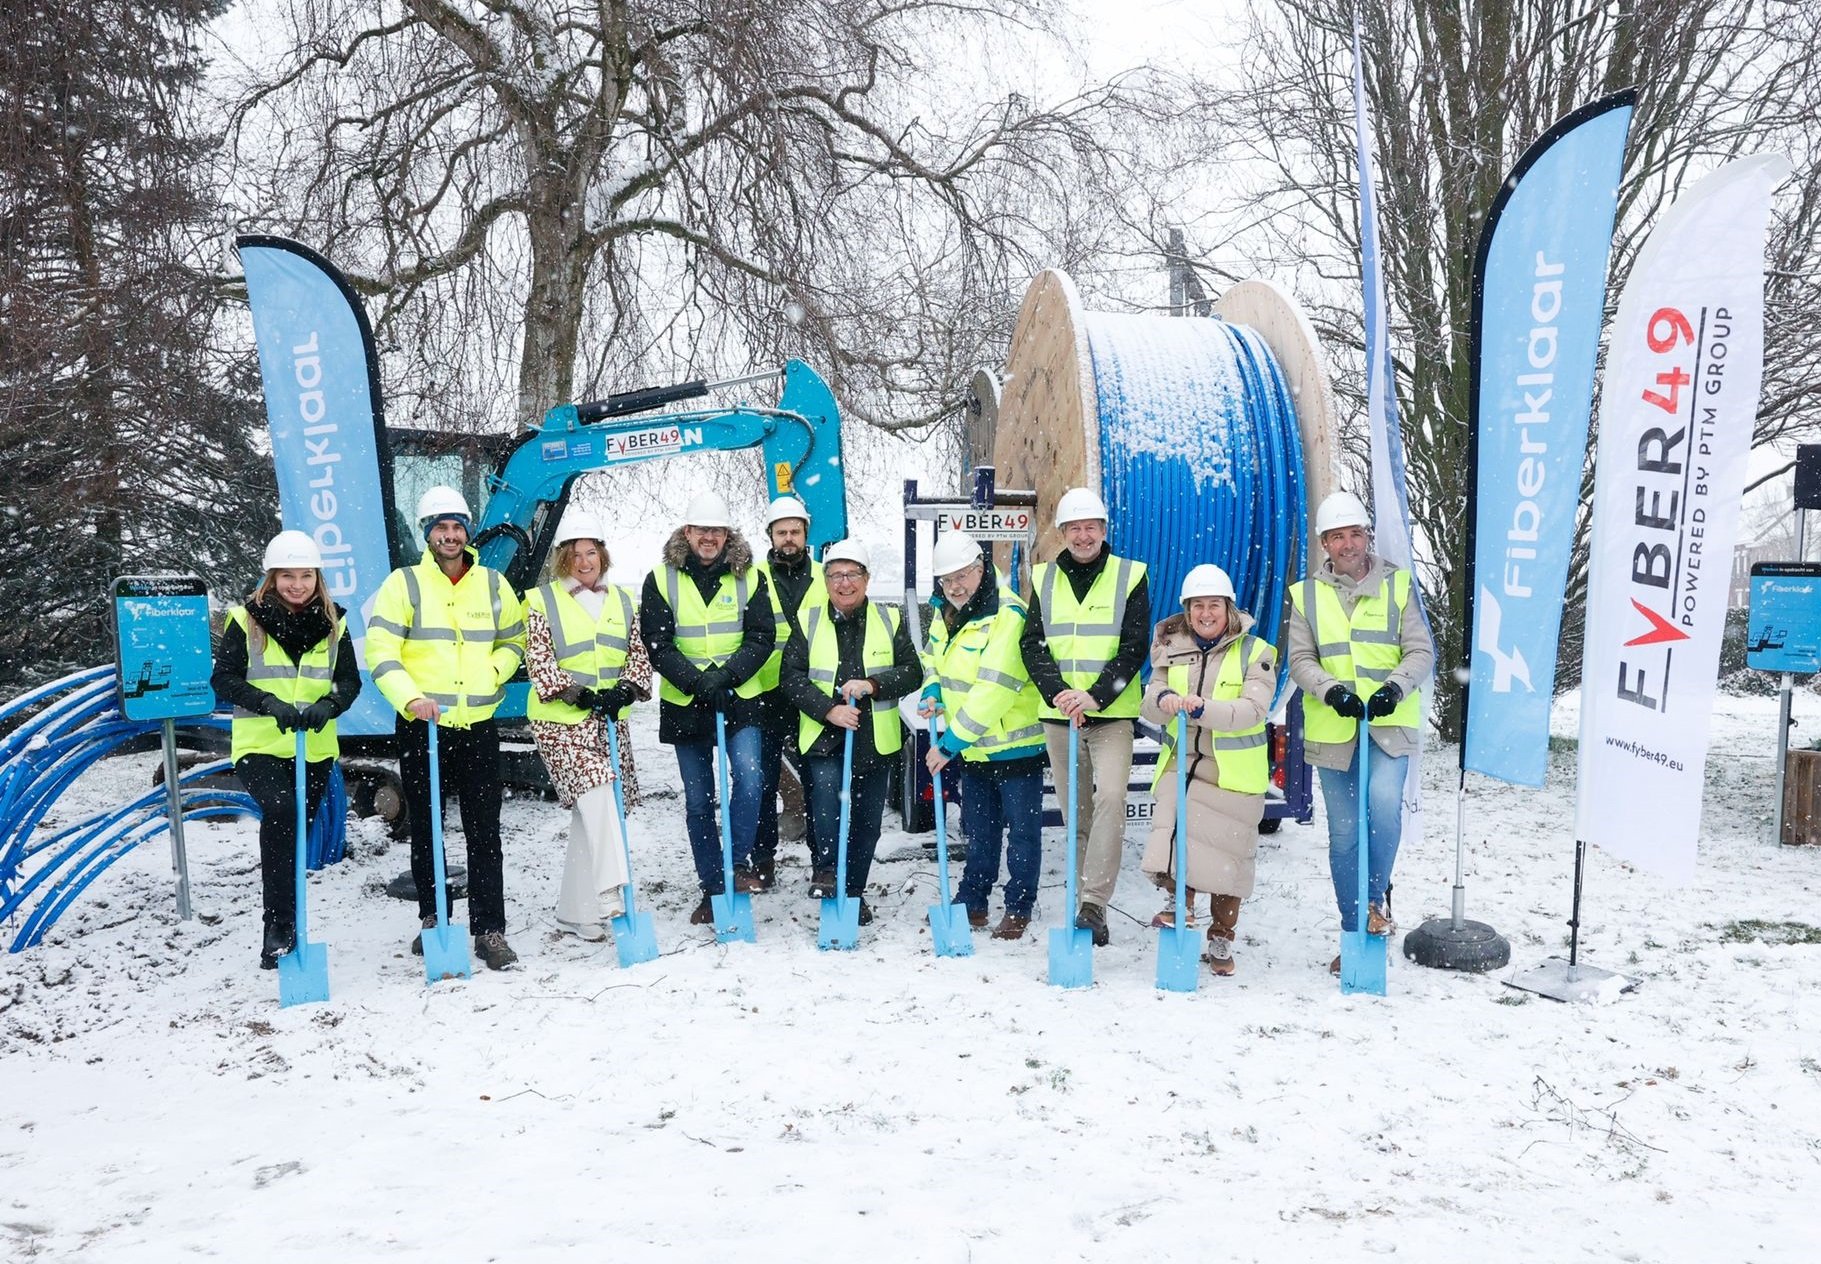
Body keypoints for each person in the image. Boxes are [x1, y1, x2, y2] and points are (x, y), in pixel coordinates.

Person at [366, 485, 527, 971]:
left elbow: (513, 639)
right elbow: (380, 650)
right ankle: (434, 919)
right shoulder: (404, 585)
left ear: (467, 532)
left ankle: (489, 929)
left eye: (457, 526)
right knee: (427, 828)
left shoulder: (494, 584)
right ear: (427, 533)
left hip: (477, 724)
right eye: (441, 527)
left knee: (485, 830)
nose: (450, 535)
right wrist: (411, 698)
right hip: (423, 726)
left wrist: (495, 672)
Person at [1287, 490, 1434, 975]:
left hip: (1388, 724)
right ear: (1325, 544)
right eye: (1337, 537)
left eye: (1355, 534)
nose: (1348, 544)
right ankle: (1353, 928)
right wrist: (1330, 691)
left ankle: (1375, 902)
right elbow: (1301, 660)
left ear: (1366, 536)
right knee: (1345, 834)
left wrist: (1394, 687)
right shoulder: (1306, 595)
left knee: (1385, 808)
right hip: (1336, 728)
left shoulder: (1397, 586)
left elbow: (1420, 651)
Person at [212, 530, 361, 969]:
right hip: (261, 743)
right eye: (287, 576)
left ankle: (289, 922)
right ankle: (276, 925)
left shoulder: (335, 622)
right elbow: (224, 679)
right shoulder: (246, 619)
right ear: (272, 577)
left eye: (306, 576)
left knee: (296, 834)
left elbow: (349, 680)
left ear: (318, 578)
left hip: (313, 747)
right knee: (281, 812)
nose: (297, 585)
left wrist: (330, 705)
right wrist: (267, 702)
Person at [1021, 486, 1150, 946]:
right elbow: (1031, 644)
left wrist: (1095, 696)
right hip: (1059, 715)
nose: (1082, 535)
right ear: (1062, 533)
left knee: (1112, 799)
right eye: (1074, 528)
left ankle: (1095, 900)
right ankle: (1084, 908)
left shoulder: (1129, 576)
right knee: (1076, 813)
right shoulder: (1043, 579)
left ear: (1103, 530)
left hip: (1110, 714)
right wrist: (1059, 694)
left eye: (1090, 527)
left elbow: (1135, 647)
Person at [639, 490, 776, 925]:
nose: (709, 538)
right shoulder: (660, 579)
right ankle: (712, 885)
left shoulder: (750, 576)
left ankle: (736, 865)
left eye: (716, 531)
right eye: (701, 530)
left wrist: (727, 676)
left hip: (740, 698)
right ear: (688, 533)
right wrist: (699, 682)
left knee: (752, 781)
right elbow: (657, 644)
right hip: (687, 701)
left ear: (726, 534)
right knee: (699, 800)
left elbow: (761, 636)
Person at [1138, 564, 1275, 977]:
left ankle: (1222, 936)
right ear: (1187, 610)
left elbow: (1252, 711)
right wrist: (1162, 697)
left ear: (1228, 609)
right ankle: (1178, 904)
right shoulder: (1170, 648)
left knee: (1229, 860)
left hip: (1233, 771)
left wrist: (1202, 708)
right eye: (1197, 605)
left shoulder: (1256, 652)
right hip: (1185, 762)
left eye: (1214, 604)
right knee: (1174, 828)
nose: (1205, 613)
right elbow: (1148, 704)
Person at [524, 509, 653, 941]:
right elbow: (539, 660)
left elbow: (638, 655)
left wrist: (627, 689)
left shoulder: (621, 601)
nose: (584, 561)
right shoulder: (541, 600)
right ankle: (611, 893)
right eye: (575, 554)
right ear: (563, 558)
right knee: (598, 791)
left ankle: (575, 913)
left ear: (603, 555)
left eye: (591, 552)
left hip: (609, 721)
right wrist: (579, 694)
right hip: (560, 722)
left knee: (598, 813)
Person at [777, 539, 921, 923]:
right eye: (836, 575)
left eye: (852, 574)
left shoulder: (889, 620)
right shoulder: (808, 621)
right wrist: (829, 710)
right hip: (824, 737)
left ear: (867, 579)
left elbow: (912, 671)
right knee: (826, 804)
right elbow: (789, 678)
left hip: (875, 739)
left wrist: (873, 685)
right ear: (825, 581)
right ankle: (827, 872)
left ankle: (853, 892)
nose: (845, 583)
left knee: (866, 824)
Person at [921, 531, 1046, 940]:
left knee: (1022, 834)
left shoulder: (1008, 614)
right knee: (980, 830)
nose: (955, 586)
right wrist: (932, 688)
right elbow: (932, 657)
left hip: (1014, 746)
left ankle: (1019, 906)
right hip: (974, 749)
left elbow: (994, 690)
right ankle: (973, 901)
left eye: (962, 576)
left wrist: (948, 745)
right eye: (946, 580)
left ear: (981, 570)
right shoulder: (946, 612)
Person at [751, 494, 825, 889]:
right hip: (765, 693)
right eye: (782, 532)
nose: (789, 539)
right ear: (771, 535)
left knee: (818, 781)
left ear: (805, 534)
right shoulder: (752, 576)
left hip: (811, 695)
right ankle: (762, 861)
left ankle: (822, 862)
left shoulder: (827, 577)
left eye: (795, 531)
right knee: (761, 782)